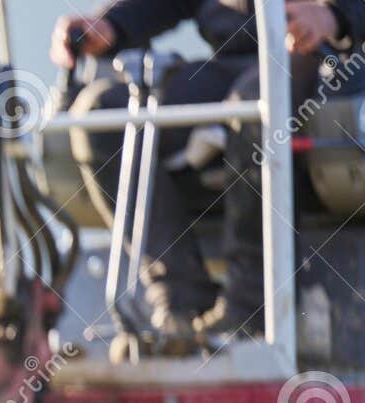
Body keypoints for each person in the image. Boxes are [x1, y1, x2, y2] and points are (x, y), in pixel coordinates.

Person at [55, 1, 365, 341]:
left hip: (335, 65)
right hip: (235, 70)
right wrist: (112, 25)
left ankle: (253, 311)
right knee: (99, 114)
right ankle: (181, 308)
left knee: (253, 106)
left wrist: (335, 16)